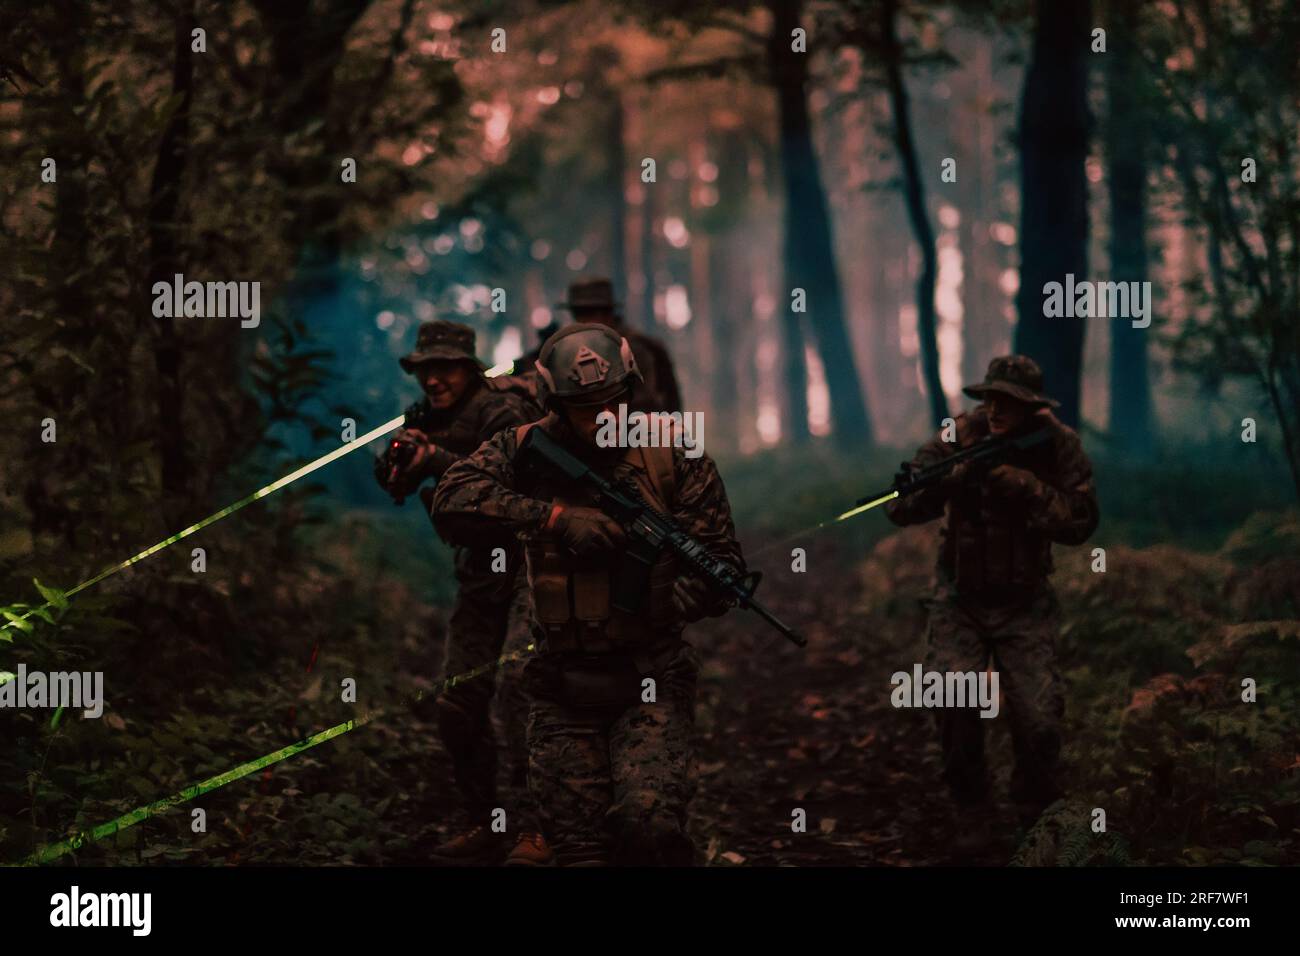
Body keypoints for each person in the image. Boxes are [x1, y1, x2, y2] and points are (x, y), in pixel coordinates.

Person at [431, 323, 742, 865]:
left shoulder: (673, 452)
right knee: (579, 850)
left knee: (649, 828)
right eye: (583, 408)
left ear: (629, 392)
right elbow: (453, 496)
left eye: (611, 403)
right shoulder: (524, 448)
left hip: (651, 679)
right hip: (560, 688)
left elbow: (722, 560)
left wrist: (693, 593)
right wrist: (552, 517)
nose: (602, 419)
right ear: (555, 404)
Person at [884, 355, 1099, 852]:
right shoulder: (958, 434)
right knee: (952, 699)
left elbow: (1081, 521)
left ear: (1032, 407)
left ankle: (1036, 817)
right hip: (959, 598)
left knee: (1040, 721)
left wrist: (1025, 487)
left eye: (1009, 402)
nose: (996, 410)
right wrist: (946, 481)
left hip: (1025, 602)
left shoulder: (1058, 443)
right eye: (990, 399)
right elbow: (900, 504)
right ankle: (971, 808)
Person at [374, 318, 550, 865]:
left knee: (521, 689)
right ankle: (484, 821)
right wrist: (400, 461)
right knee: (458, 701)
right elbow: (393, 477)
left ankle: (540, 826)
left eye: (445, 369)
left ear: (469, 369)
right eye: (425, 370)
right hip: (480, 570)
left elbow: (518, 487)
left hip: (529, 564)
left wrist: (439, 461)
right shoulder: (425, 416)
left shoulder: (503, 412)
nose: (433, 380)